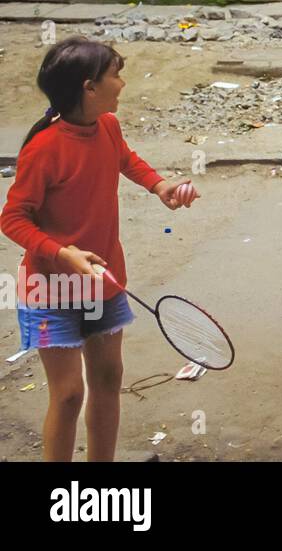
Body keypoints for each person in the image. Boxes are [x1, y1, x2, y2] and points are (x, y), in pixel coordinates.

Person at [1, 38, 199, 462]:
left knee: (109, 379)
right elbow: (13, 218)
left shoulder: (107, 126)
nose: (122, 84)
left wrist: (160, 185)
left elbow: (125, 158)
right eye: (116, 75)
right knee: (69, 394)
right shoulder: (44, 148)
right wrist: (65, 253)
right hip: (50, 289)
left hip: (104, 283)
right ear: (89, 88)